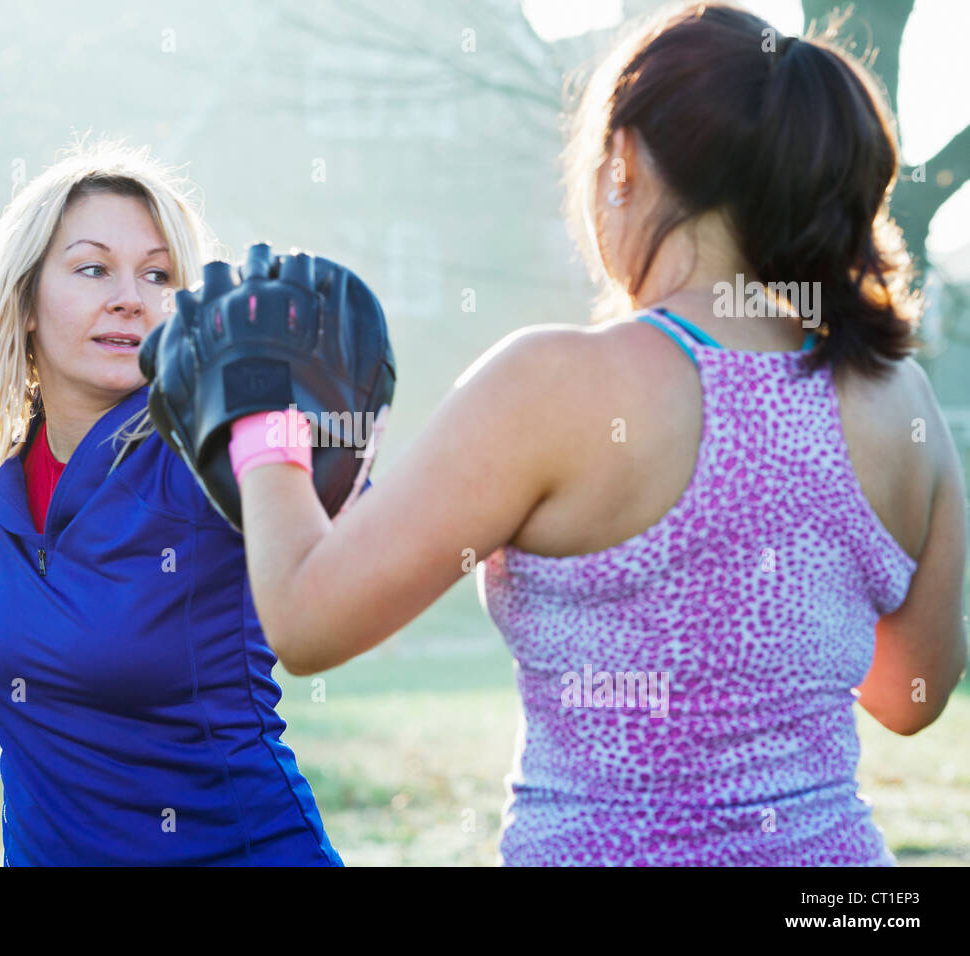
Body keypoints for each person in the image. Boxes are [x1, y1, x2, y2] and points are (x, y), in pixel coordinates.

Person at [150, 4, 969, 865]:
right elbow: (910, 696)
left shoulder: (553, 384)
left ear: (622, 163)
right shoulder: (900, 396)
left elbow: (309, 623)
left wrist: (257, 408)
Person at [0, 140, 342, 866]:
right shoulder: (8, 475)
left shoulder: (204, 453)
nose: (130, 295)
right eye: (93, 268)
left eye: (158, 274)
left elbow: (343, 540)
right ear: (25, 301)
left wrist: (314, 426)